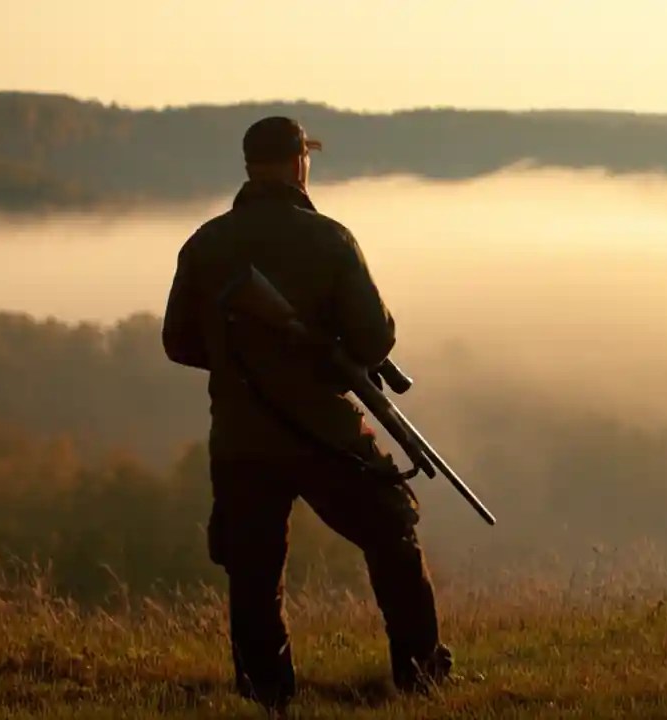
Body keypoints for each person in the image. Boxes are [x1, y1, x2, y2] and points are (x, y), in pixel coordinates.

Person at [161, 116, 453, 712]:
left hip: (241, 438)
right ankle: (423, 679)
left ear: (249, 166)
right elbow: (374, 340)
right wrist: (320, 358)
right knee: (392, 533)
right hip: (327, 433)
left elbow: (179, 343)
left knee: (253, 570)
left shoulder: (205, 242)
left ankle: (266, 694)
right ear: (300, 162)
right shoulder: (330, 239)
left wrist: (245, 365)